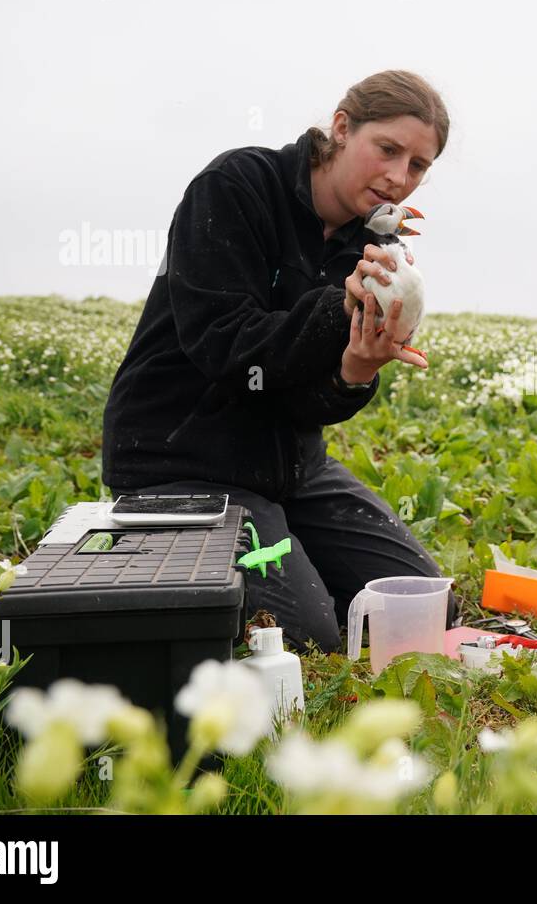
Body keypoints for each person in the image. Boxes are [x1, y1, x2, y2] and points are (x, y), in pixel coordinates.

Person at [101, 69, 457, 653]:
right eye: (388, 150)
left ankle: (288, 554)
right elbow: (223, 343)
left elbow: (300, 394)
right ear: (342, 128)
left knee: (426, 605)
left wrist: (354, 372)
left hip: (290, 469)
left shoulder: (375, 246)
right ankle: (175, 551)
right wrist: (337, 309)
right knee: (304, 641)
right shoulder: (237, 185)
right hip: (183, 464)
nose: (399, 177)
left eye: (418, 166)